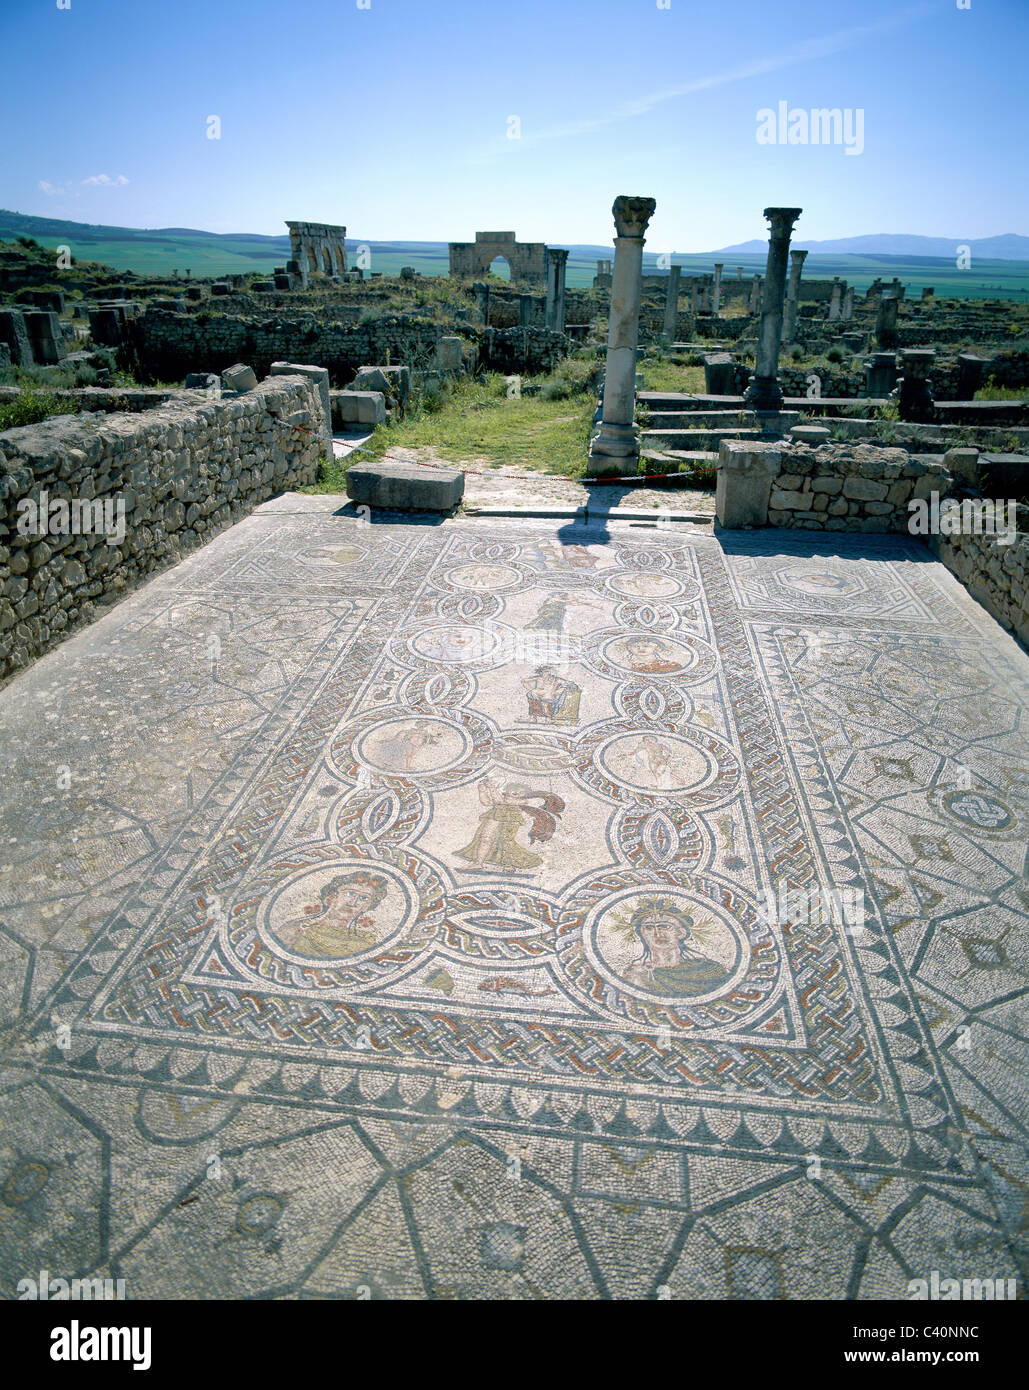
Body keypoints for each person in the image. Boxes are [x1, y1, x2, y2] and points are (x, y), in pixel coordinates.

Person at [622, 900, 731, 996]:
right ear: (642, 934)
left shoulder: (709, 969)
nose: (657, 934)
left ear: (681, 933)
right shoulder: (636, 974)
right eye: (649, 927)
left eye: (664, 926)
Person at [274, 870, 388, 959]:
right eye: (349, 894)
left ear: (366, 906)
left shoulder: (366, 942)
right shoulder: (295, 929)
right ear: (331, 898)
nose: (353, 902)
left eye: (363, 898)